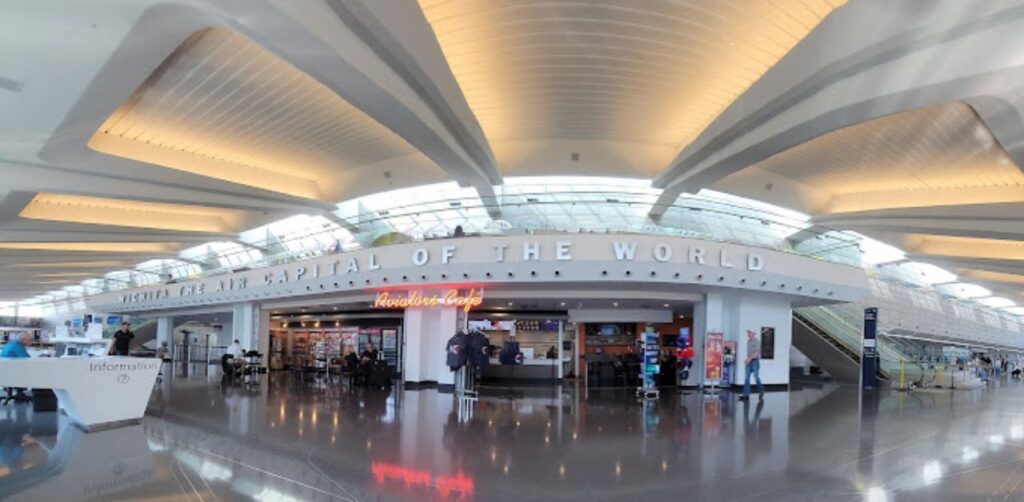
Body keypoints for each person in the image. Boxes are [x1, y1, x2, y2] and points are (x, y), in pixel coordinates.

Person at [1, 333, 32, 401]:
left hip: (5, 370)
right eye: (29, 340)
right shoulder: (18, 346)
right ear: (23, 340)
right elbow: (27, 359)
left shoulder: (11, 343)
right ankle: (20, 391)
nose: (30, 342)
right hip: (11, 372)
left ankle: (19, 391)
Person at [739, 329, 765, 401]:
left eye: (750, 333)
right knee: (747, 377)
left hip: (755, 361)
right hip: (749, 361)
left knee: (756, 377)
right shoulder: (748, 342)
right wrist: (747, 359)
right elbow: (749, 353)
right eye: (748, 333)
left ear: (753, 333)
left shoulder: (757, 341)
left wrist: (749, 359)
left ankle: (761, 391)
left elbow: (757, 352)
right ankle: (746, 394)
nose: (748, 335)